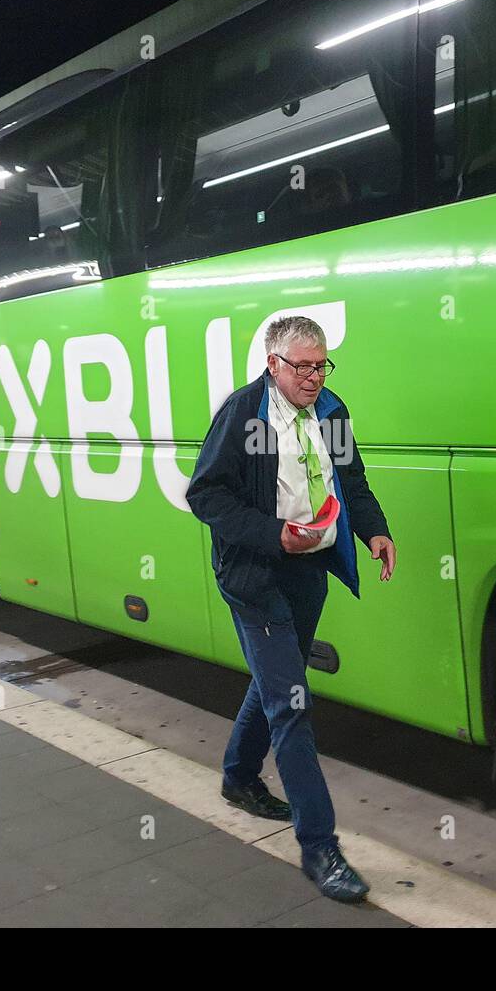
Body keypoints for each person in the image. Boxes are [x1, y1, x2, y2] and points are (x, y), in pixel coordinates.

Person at [186, 315, 395, 902]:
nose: (312, 377)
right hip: (256, 574)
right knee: (292, 702)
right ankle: (320, 846)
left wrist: (374, 531)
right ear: (272, 364)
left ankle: (237, 777)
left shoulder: (332, 411)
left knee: (281, 681)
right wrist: (272, 534)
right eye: (301, 366)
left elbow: (350, 480)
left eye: (320, 364)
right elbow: (205, 494)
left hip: (309, 571)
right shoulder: (243, 413)